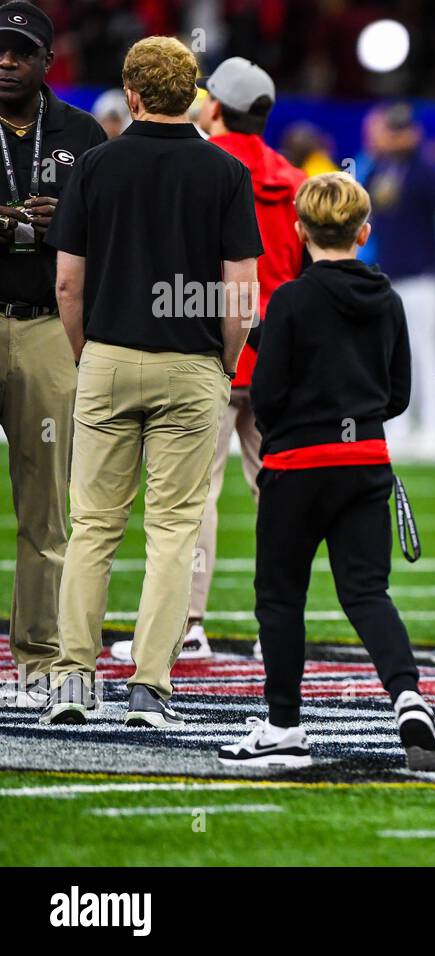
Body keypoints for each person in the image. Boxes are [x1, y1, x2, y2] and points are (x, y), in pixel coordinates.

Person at [39, 36, 262, 726]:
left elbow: (67, 283)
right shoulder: (223, 171)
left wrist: (86, 355)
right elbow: (241, 293)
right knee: (173, 532)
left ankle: (73, 679)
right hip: (192, 364)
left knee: (93, 527)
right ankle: (148, 685)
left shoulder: (97, 165)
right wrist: (222, 364)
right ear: (194, 94)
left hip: (106, 354)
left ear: (132, 94)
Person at [217, 173, 435, 772]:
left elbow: (264, 394)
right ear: (364, 231)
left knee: (281, 597)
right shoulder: (389, 298)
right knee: (368, 594)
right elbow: (398, 393)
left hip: (297, 464)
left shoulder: (289, 300)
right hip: (365, 460)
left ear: (298, 231)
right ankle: (408, 696)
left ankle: (284, 724)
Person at [107, 55, 306, 665]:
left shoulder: (203, 168)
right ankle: (280, 623)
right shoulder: (296, 180)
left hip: (213, 348)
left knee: (194, 495)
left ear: (214, 106)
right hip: (280, 353)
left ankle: (188, 624)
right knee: (278, 492)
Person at [0, 1, 106, 709]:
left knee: (47, 507)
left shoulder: (80, 134)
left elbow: (109, 230)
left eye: (19, 53)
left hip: (44, 323)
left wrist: (60, 218)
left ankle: (37, 657)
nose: (4, 62)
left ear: (47, 62)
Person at [364, 102, 435, 457]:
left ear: (414, 132)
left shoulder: (428, 172)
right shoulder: (380, 168)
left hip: (424, 277)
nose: (397, 137)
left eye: (402, 130)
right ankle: (399, 426)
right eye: (392, 130)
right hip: (391, 276)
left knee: (427, 353)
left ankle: (433, 428)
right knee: (393, 355)